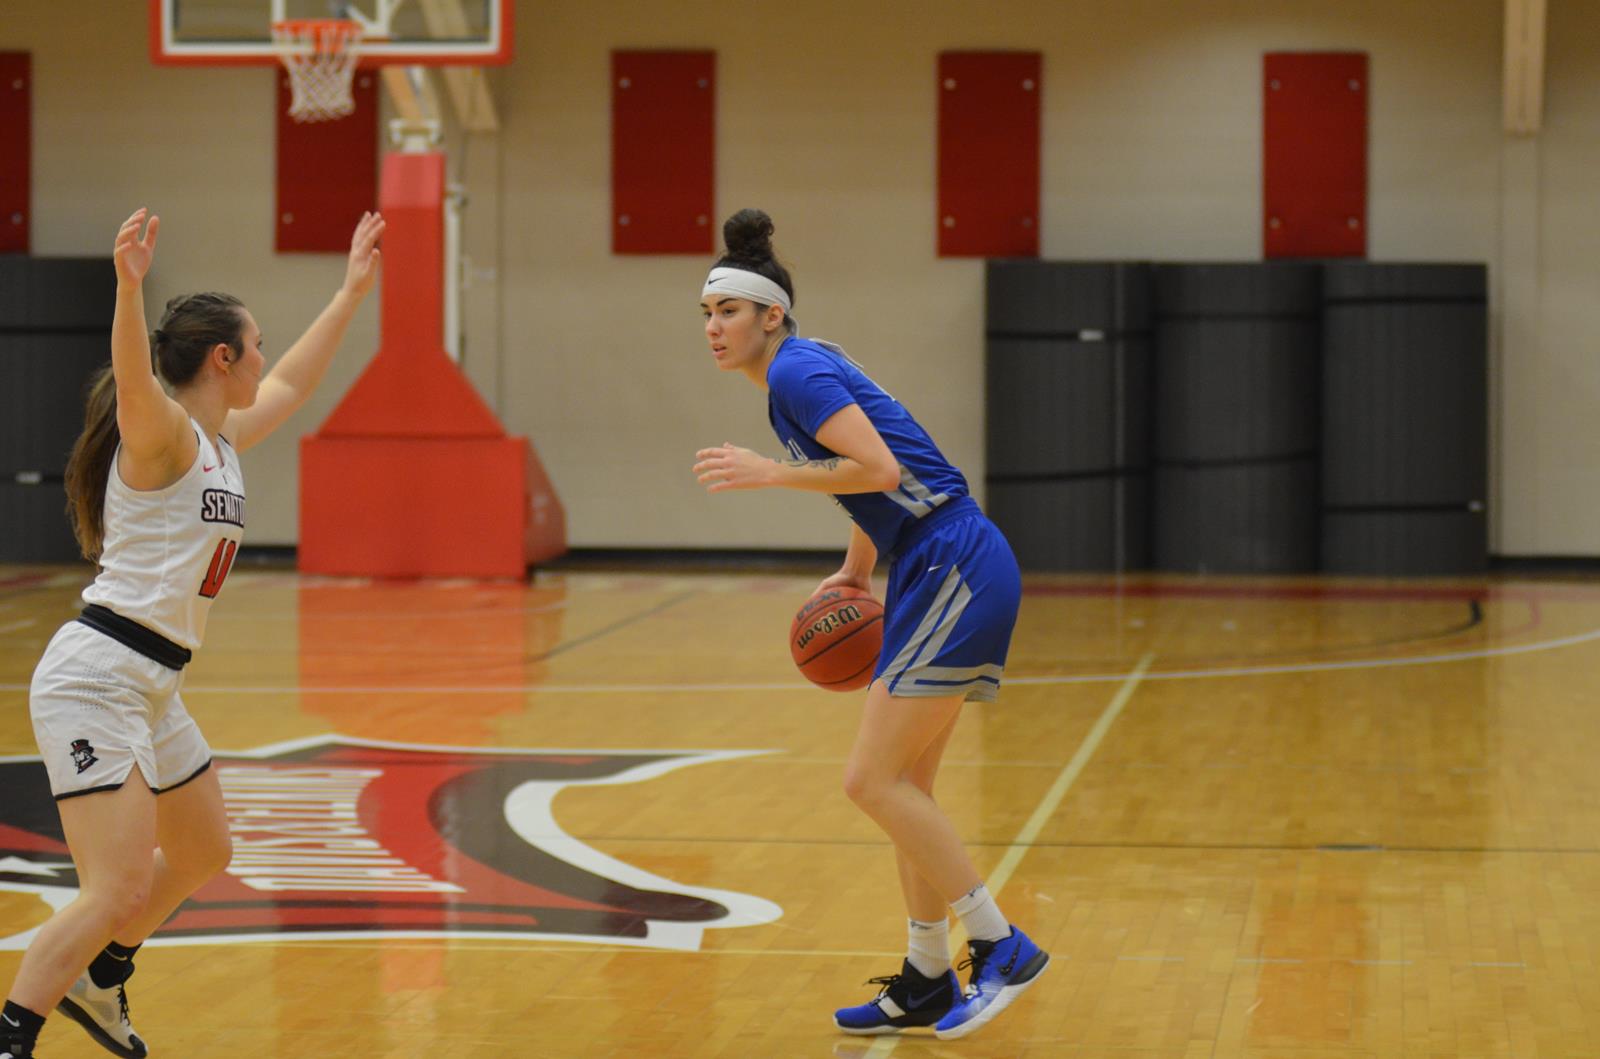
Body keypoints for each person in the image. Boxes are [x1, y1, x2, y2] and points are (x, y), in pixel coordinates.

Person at [0, 206, 384, 1059]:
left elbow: (292, 383)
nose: (261, 358)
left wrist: (351, 292)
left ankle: (102, 982)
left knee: (206, 847)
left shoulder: (222, 437)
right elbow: (136, 380)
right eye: (253, 344)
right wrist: (129, 288)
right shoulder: (165, 435)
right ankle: (11, 1035)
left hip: (155, 680)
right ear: (221, 357)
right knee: (117, 885)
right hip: (98, 673)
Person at [692, 209, 1048, 1040]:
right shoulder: (805, 367)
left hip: (953, 560)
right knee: (905, 788)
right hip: (933, 560)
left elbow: (881, 467)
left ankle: (999, 944)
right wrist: (858, 567)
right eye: (706, 314)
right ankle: (927, 974)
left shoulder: (795, 376)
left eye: (728, 312)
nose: (713, 328)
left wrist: (769, 474)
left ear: (770, 314)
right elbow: (876, 476)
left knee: (869, 781)